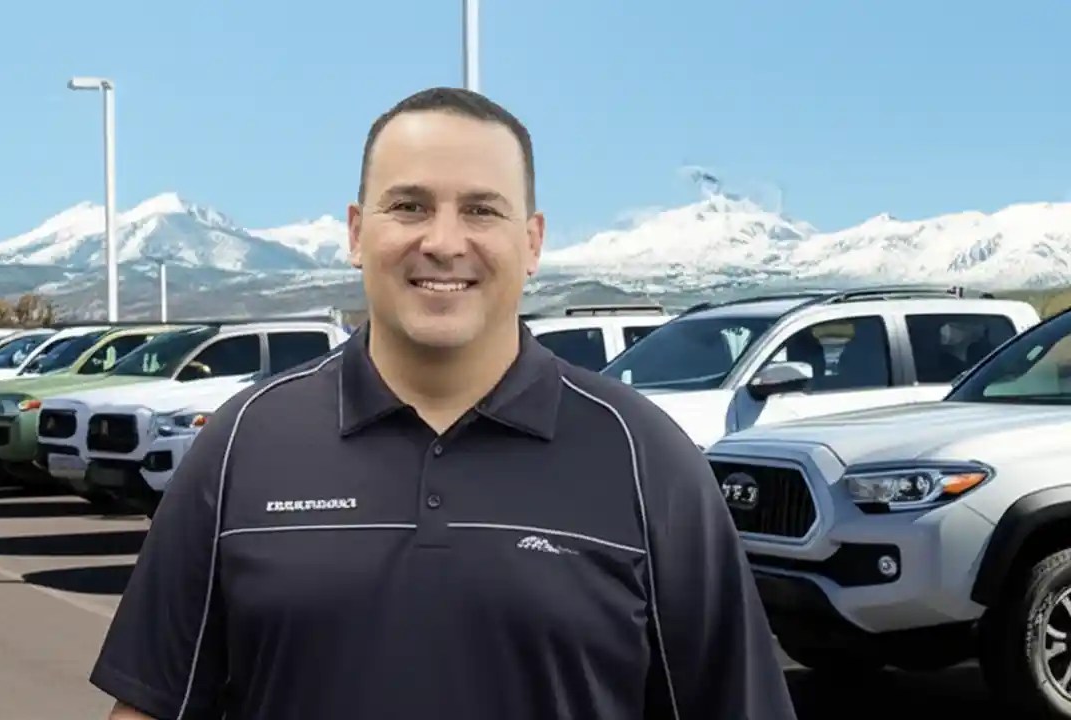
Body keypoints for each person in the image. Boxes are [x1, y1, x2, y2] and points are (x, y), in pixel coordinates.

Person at [89, 86, 796, 720]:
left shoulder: (647, 460)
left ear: (532, 242)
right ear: (356, 233)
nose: (444, 241)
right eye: (410, 206)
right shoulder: (242, 445)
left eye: (481, 210)